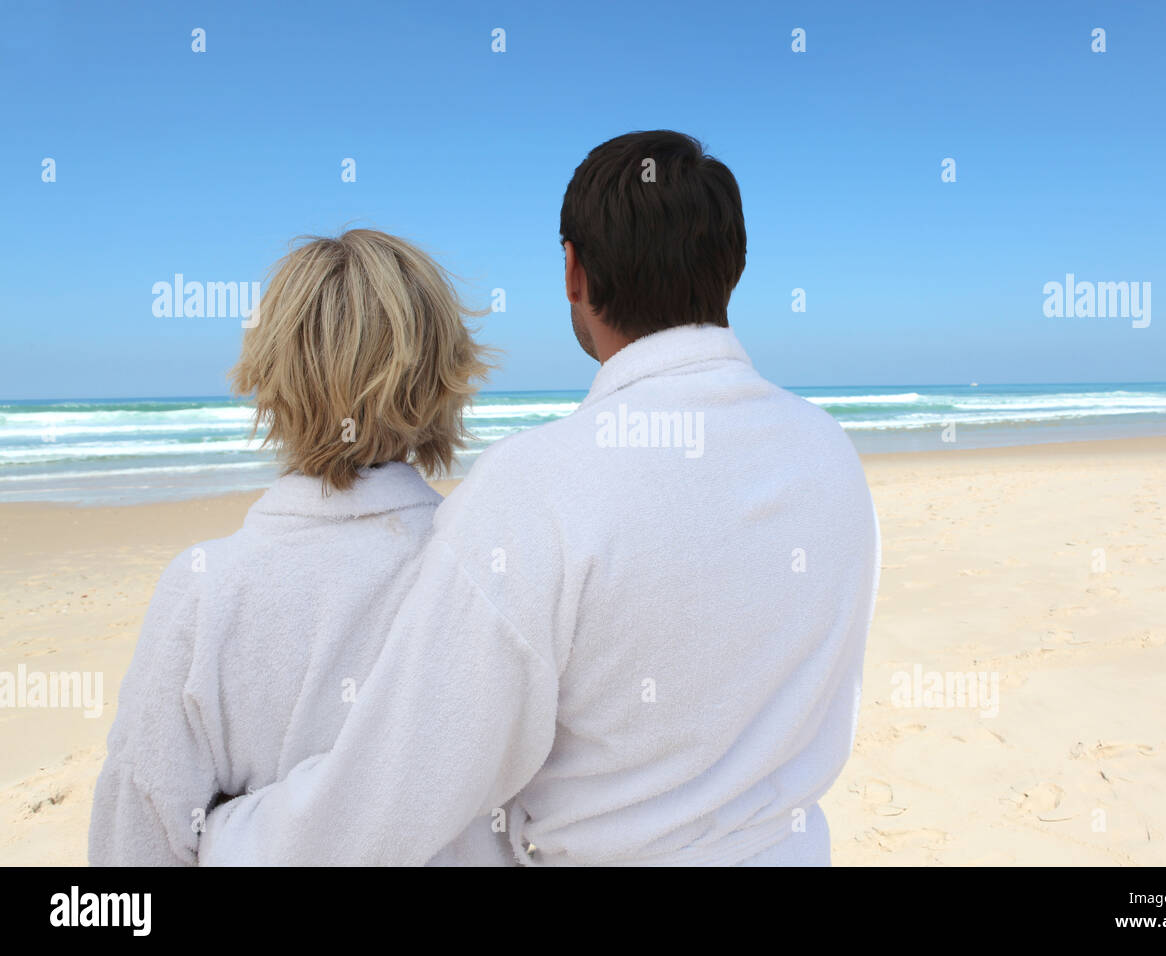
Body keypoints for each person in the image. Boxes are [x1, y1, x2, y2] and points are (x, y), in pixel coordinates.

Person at [200, 130, 881, 867]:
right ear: (734, 267)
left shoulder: (537, 487)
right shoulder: (830, 457)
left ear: (572, 271)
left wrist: (227, 834)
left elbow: (396, 794)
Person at [88, 229, 510, 865]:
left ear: (271, 375)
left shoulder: (205, 591)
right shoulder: (497, 573)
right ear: (440, 379)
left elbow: (135, 844)